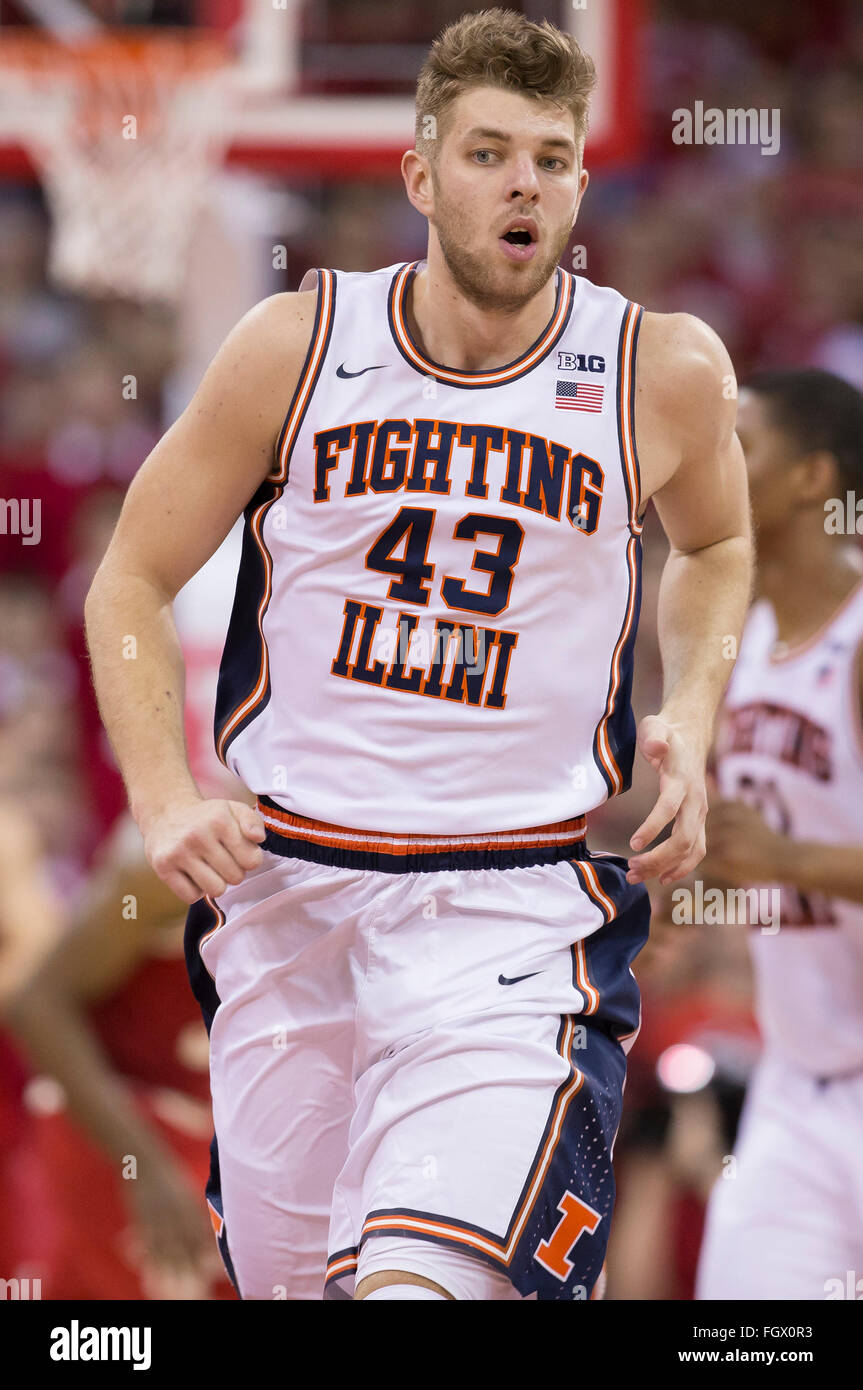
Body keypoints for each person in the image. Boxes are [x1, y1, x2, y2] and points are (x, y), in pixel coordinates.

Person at [84, 9, 751, 1301]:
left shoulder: (656, 367)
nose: (524, 183)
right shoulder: (296, 344)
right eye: (490, 152)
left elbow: (717, 545)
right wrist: (163, 796)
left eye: (551, 158)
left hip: (510, 916)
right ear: (419, 174)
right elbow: (131, 574)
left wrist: (696, 712)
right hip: (290, 901)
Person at [696, 369, 863, 1301]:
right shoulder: (739, 641)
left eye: (741, 446)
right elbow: (747, 855)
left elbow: (778, 851)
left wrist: (785, 862)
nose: (714, 466)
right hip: (798, 1078)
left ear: (812, 480)